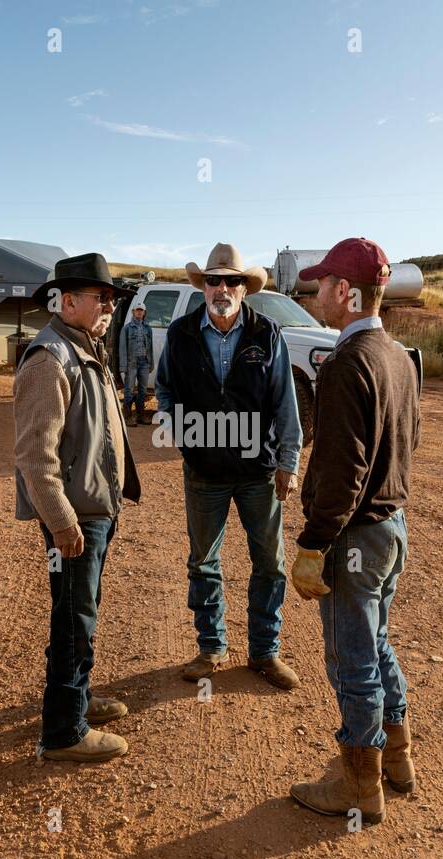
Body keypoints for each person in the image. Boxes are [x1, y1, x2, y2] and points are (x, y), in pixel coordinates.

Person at [287, 238, 423, 824]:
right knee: (379, 644)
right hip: (392, 527)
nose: (314, 294)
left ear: (346, 292)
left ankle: (357, 789)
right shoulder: (398, 356)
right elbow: (406, 444)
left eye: (320, 285)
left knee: (352, 660)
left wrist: (314, 543)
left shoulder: (346, 364)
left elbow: (344, 470)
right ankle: (397, 760)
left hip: (354, 540)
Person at [154, 242, 303, 690]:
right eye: (213, 280)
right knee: (203, 561)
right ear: (203, 287)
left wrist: (288, 461)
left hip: (258, 470)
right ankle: (211, 646)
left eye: (231, 280)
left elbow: (285, 403)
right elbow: (164, 389)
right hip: (204, 472)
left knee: (270, 564)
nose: (222, 288)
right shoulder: (180, 334)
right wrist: (183, 436)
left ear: (244, 288)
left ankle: (264, 652)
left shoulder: (267, 333)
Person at [14, 252, 141, 763]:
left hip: (96, 512)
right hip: (76, 520)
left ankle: (79, 701)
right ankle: (64, 731)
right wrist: (62, 521)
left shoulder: (87, 347)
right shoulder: (51, 360)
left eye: (112, 298)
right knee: (72, 619)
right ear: (68, 302)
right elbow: (34, 455)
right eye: (101, 297)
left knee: (79, 613)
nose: (110, 305)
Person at [119, 303, 154, 427]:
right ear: (133, 312)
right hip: (131, 363)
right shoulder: (127, 328)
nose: (139, 312)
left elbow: (150, 348)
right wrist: (123, 366)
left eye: (142, 311)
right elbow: (122, 348)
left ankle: (140, 415)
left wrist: (151, 364)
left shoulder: (147, 329)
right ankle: (127, 417)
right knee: (129, 389)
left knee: (143, 390)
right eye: (137, 310)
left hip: (144, 362)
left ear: (144, 313)